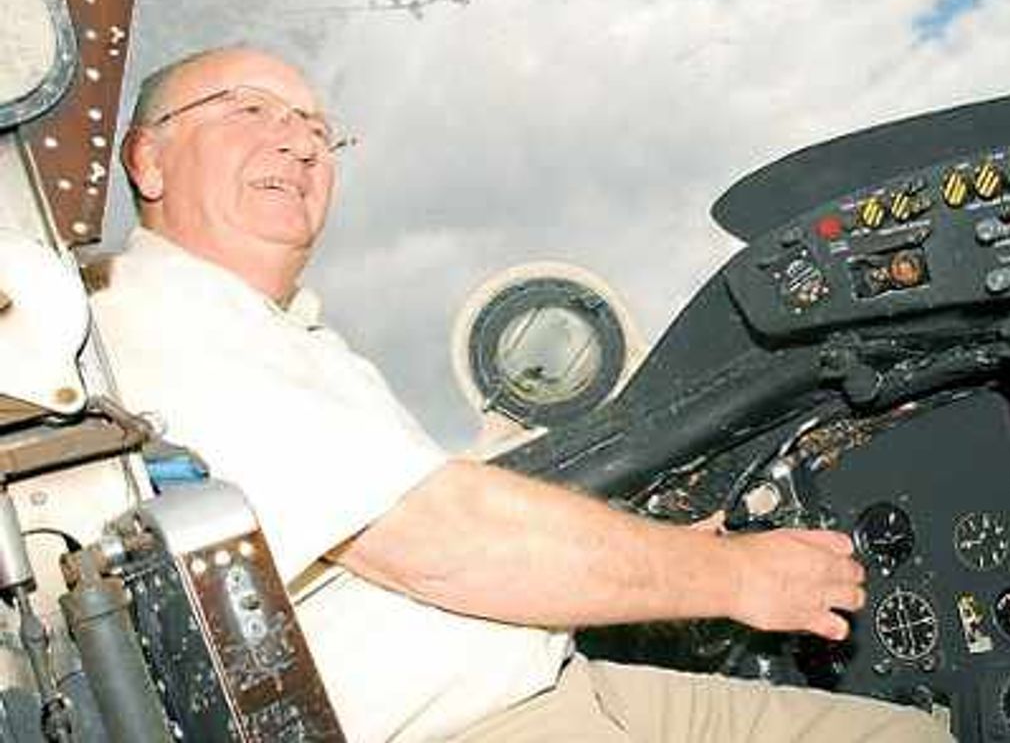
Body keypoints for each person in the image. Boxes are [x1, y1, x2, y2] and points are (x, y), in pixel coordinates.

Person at [91, 46, 954, 743]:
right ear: (149, 158)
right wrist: (731, 576)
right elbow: (436, 536)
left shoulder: (284, 335)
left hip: (542, 687)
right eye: (250, 110)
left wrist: (666, 547)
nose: (298, 141)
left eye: (316, 127)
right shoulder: (156, 319)